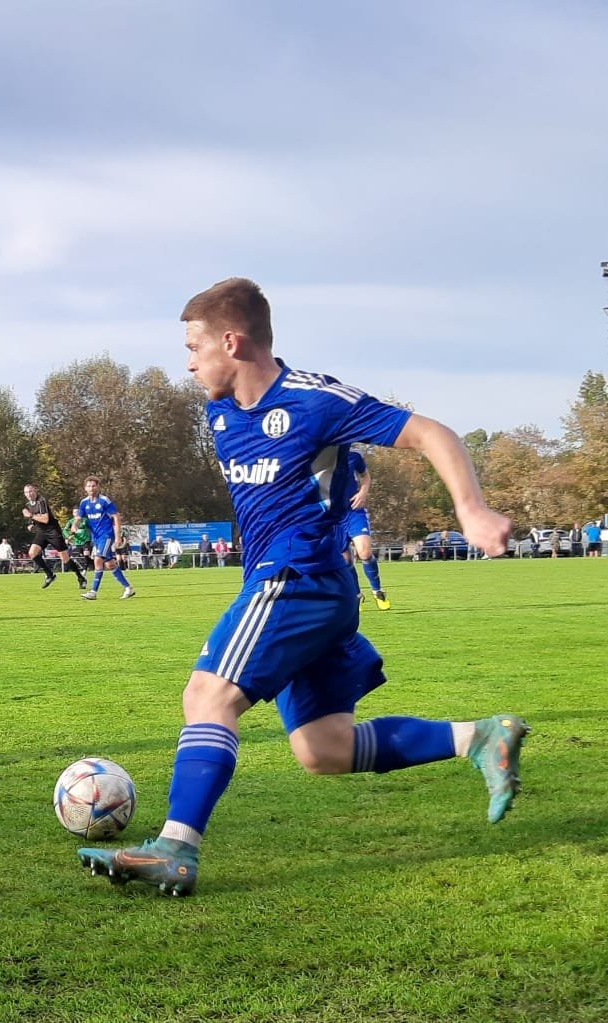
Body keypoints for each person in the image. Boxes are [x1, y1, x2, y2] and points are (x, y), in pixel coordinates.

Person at [78, 277, 528, 897]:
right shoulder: (219, 411)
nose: (188, 364)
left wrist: (471, 510)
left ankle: (176, 848)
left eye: (193, 347)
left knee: (207, 696)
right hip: (311, 586)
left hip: (297, 578)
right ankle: (478, 736)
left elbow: (432, 433)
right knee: (324, 748)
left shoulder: (316, 400)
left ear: (231, 342)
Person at [342, 449, 391, 609]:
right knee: (345, 560)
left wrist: (363, 492)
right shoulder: (318, 455)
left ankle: (377, 590)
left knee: (365, 552)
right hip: (333, 516)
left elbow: (365, 476)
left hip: (354, 511)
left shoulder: (353, 456)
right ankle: (356, 594)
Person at [77, 477, 136, 601]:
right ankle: (128, 588)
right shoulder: (84, 503)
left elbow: (116, 517)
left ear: (98, 487)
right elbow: (79, 517)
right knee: (110, 564)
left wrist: (118, 536)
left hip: (107, 535)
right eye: (89, 486)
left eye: (94, 486)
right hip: (96, 537)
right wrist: (74, 526)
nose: (91, 488)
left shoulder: (104, 501)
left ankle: (93, 591)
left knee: (98, 560)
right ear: (85, 488)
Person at [21, 484, 87, 591]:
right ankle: (50, 575)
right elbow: (31, 522)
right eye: (26, 492)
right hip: (42, 532)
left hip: (53, 531)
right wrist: (31, 526)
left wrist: (31, 516)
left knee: (65, 560)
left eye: (31, 491)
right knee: (32, 553)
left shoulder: (41, 501)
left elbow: (45, 519)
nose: (29, 494)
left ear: (35, 491)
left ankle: (81, 578)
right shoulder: (27, 505)